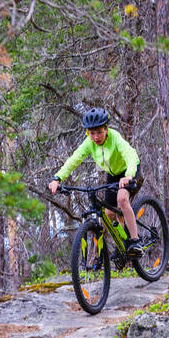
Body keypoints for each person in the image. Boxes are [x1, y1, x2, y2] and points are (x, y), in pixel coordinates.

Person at [48, 108, 144, 257]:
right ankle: (122, 244)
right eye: (92, 133)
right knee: (109, 213)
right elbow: (74, 160)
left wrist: (129, 175)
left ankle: (135, 241)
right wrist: (58, 178)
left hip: (129, 171)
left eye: (99, 132)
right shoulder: (89, 143)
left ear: (106, 128)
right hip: (112, 175)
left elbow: (129, 155)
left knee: (122, 199)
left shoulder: (115, 137)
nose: (96, 137)